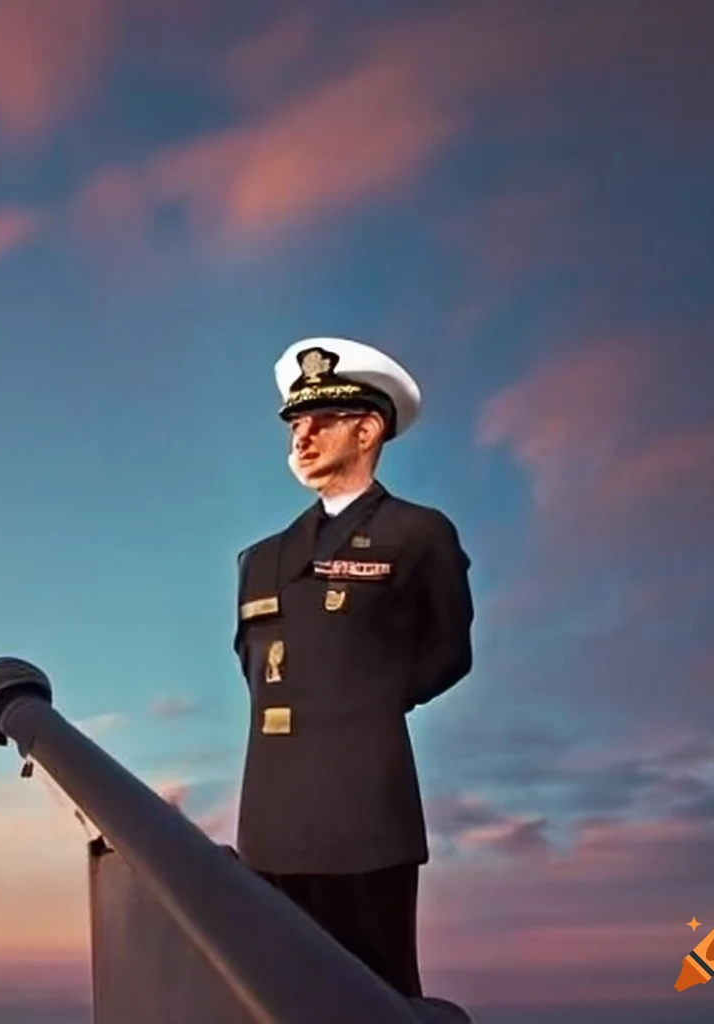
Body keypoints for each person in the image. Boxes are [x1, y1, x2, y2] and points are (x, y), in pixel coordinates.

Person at [233, 336, 475, 998]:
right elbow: (255, 666)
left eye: (321, 423)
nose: (301, 439)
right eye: (295, 425)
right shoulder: (261, 560)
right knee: (275, 994)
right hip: (270, 821)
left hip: (364, 818)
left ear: (367, 430)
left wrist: (363, 704)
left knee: (373, 996)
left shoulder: (418, 535)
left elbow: (450, 650)